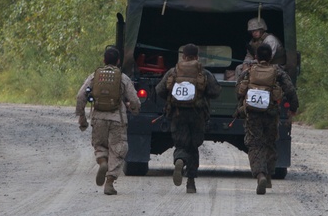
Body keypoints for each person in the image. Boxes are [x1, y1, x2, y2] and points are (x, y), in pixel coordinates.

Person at [156, 43, 221, 193]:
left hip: (177, 114)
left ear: (184, 56)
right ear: (197, 57)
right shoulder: (203, 73)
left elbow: (160, 90)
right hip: (197, 115)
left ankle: (180, 160)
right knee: (193, 146)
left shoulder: (173, 71)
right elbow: (215, 92)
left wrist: (172, 99)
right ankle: (190, 182)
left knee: (181, 144)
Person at [75, 46, 141, 195]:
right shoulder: (123, 78)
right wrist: (134, 109)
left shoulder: (95, 76)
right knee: (118, 149)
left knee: (100, 146)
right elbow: (134, 100)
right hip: (117, 119)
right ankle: (109, 182)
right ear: (118, 61)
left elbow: (80, 96)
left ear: (104, 60)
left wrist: (82, 117)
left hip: (98, 118)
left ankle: (102, 161)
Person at [235, 42, 299, 195]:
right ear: (271, 57)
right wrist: (293, 108)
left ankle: (260, 174)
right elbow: (290, 90)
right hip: (271, 113)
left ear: (256, 57)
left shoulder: (248, 71)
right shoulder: (278, 72)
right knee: (270, 143)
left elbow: (239, 90)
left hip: (252, 115)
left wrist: (240, 107)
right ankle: (269, 175)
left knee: (255, 144)